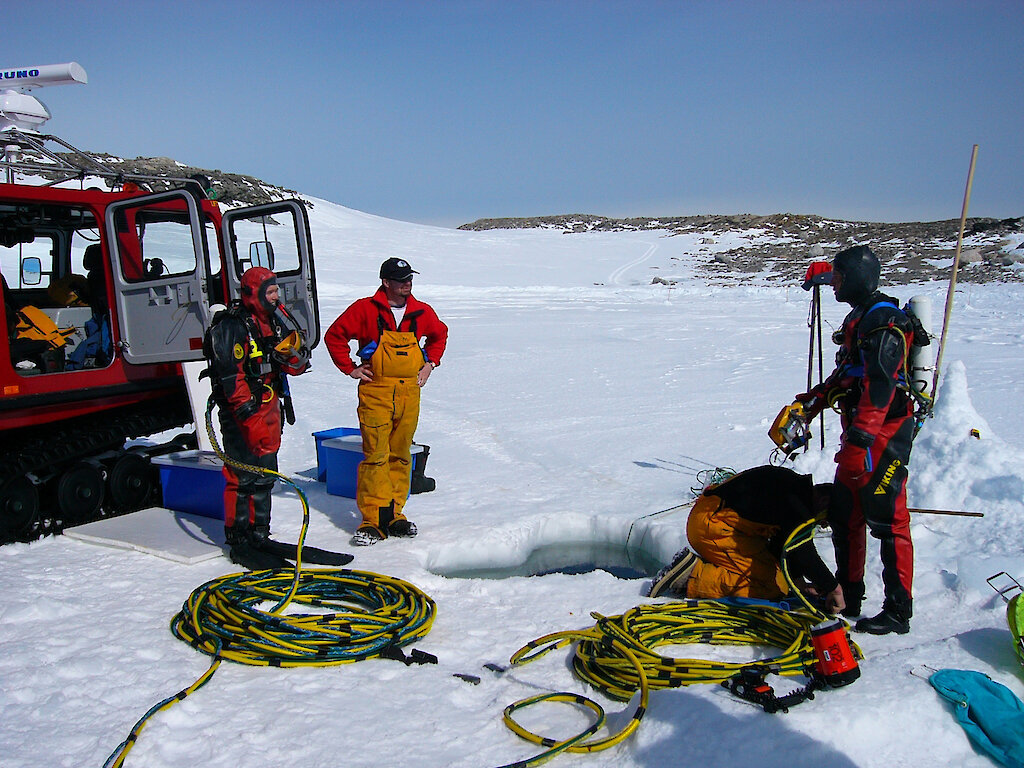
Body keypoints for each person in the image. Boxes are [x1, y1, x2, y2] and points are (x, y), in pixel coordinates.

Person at [795, 245, 920, 635]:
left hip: (883, 436)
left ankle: (899, 611)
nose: (834, 283)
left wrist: (861, 440)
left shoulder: (884, 322)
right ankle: (849, 592)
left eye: (840, 277)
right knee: (845, 516)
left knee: (887, 520)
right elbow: (849, 374)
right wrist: (809, 404)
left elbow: (882, 386)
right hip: (859, 435)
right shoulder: (861, 319)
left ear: (857, 279)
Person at [324, 258, 448, 546]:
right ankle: (372, 521)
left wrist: (430, 363)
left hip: (409, 393)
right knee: (376, 455)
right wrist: (351, 368)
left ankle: (395, 515)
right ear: (386, 282)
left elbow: (439, 334)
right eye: (401, 279)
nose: (407, 283)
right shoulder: (365, 309)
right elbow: (335, 336)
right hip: (376, 391)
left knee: (401, 454)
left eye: (409, 278)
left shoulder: (421, 311)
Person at [205, 266, 313, 570]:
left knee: (266, 470)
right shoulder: (231, 326)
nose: (276, 296)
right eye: (270, 292)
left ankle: (259, 531)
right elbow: (231, 377)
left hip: (268, 403)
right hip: (243, 410)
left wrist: (293, 356)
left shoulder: (273, 323)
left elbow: (294, 363)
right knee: (242, 473)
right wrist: (247, 415)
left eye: (276, 290)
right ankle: (239, 537)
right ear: (253, 294)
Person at [648, 465, 845, 614]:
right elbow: (802, 551)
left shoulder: (793, 489)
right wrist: (833, 588)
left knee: (778, 581)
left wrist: (800, 587)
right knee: (767, 588)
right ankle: (691, 575)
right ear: (824, 501)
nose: (822, 526)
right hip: (712, 526)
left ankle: (704, 570)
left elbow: (784, 547)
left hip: (717, 520)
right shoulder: (797, 506)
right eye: (825, 520)